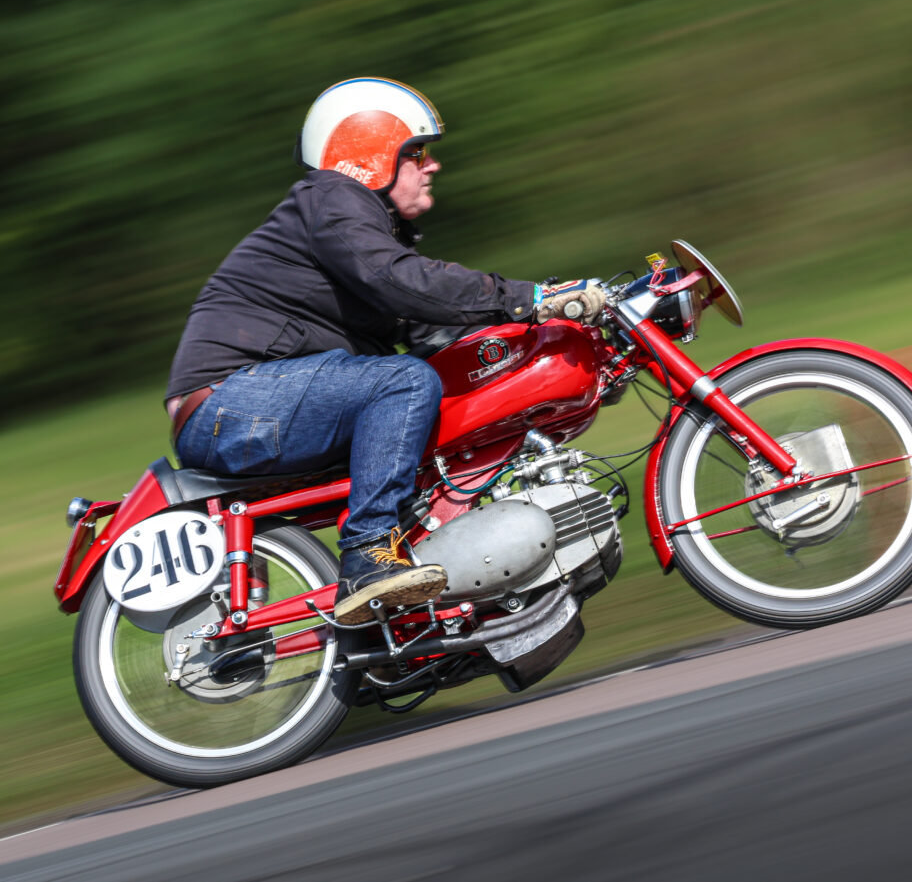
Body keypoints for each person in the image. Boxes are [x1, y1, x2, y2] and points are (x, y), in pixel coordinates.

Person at [164, 77, 605, 625]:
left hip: (268, 399)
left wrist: (563, 348)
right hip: (230, 403)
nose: (432, 165)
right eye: (417, 152)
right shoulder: (331, 200)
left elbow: (434, 328)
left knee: (433, 390)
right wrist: (531, 299)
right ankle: (369, 557)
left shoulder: (364, 233)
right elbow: (403, 283)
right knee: (402, 381)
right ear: (369, 154)